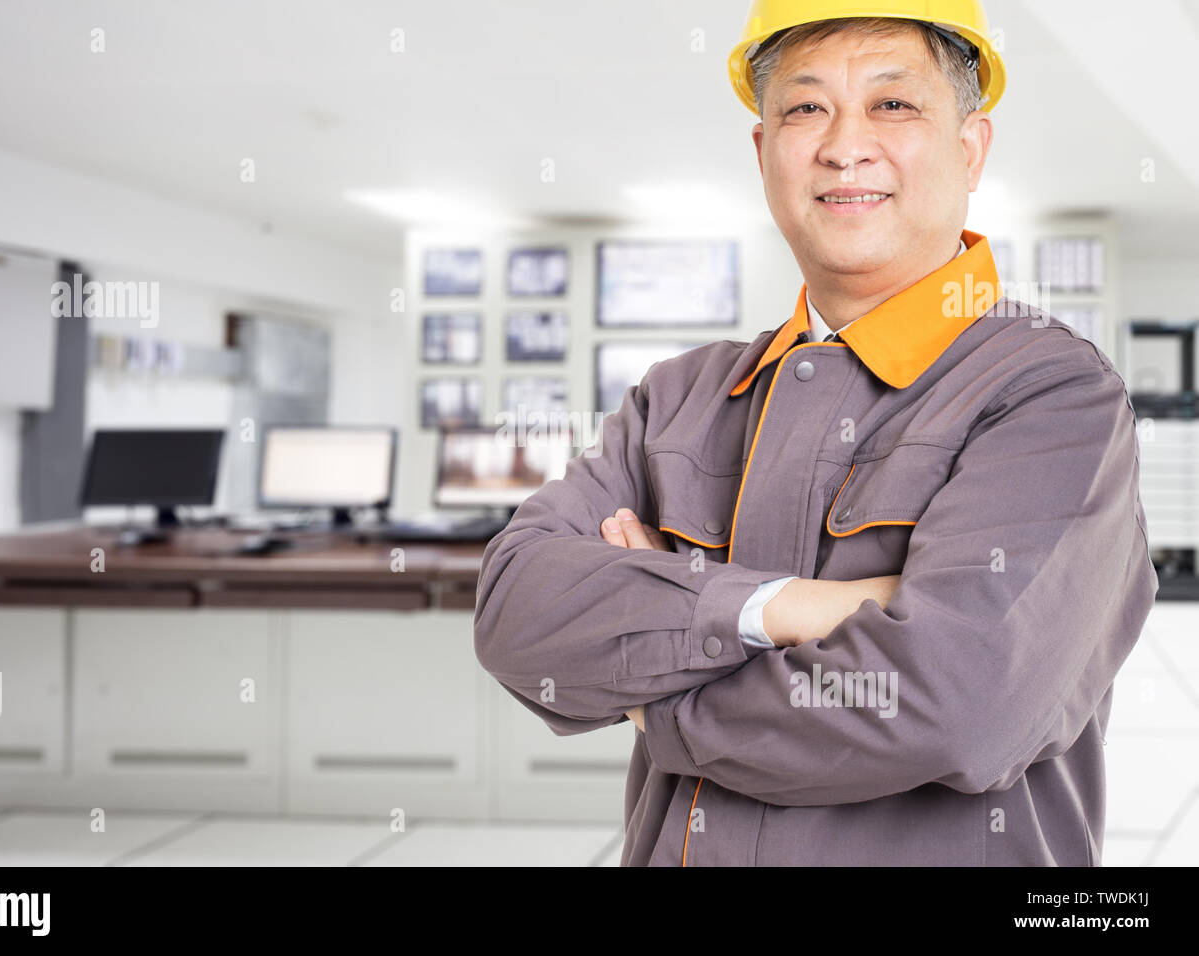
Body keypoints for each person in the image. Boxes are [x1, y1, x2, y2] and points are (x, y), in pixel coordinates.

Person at [473, 0, 1158, 865]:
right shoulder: (679, 397)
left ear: (971, 147)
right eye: (804, 108)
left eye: (893, 103)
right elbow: (514, 619)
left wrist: (656, 691)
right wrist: (796, 607)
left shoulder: (1050, 393)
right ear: (765, 153)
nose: (844, 144)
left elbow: (964, 707)